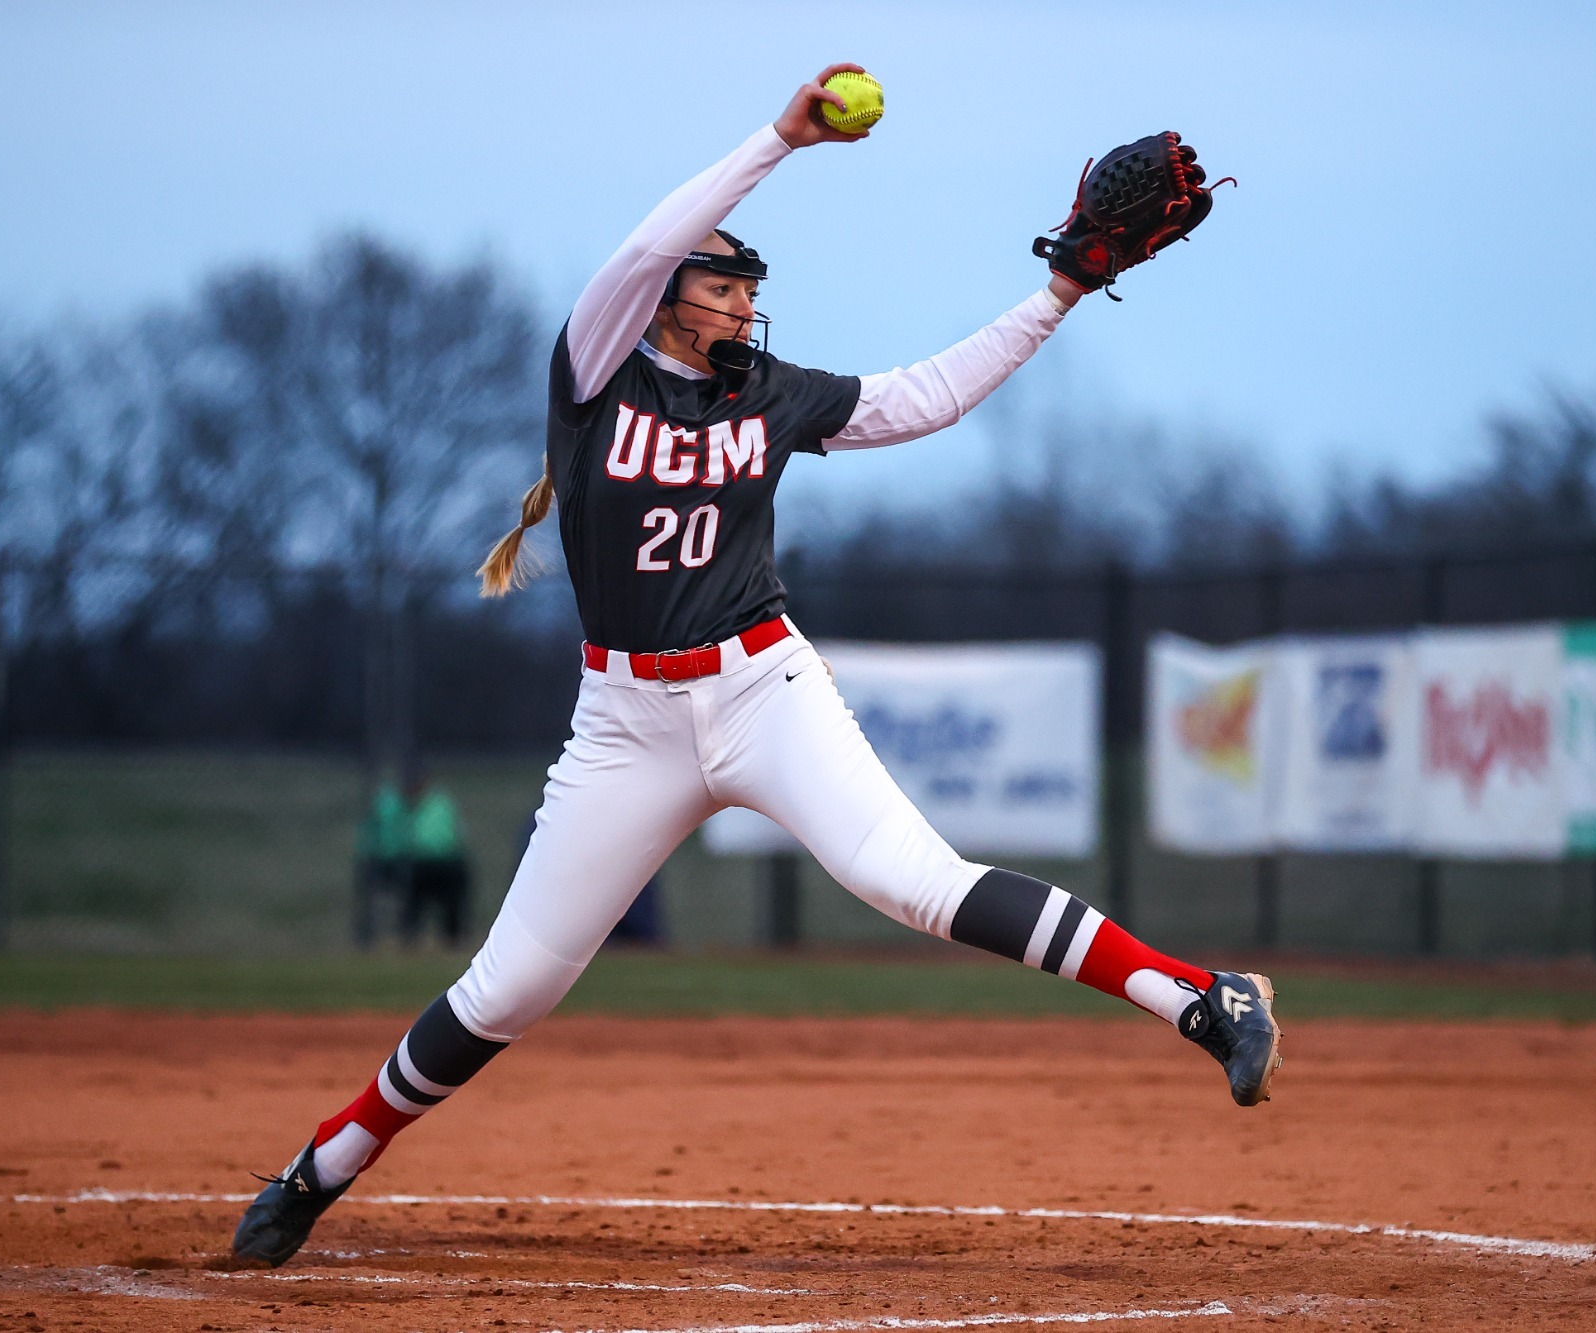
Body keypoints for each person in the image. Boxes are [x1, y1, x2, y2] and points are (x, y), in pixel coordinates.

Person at [231, 66, 1280, 1267]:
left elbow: (926, 397)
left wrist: (1061, 292)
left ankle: (1204, 999)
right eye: (720, 282)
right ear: (666, 296)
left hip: (760, 685)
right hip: (624, 722)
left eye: (745, 286)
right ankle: (318, 1170)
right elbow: (642, 245)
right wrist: (779, 138)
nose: (740, 303)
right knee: (509, 990)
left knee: (920, 884)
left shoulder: (771, 396)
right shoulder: (592, 372)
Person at [400, 769, 471, 948]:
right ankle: (411, 939)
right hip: (423, 861)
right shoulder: (412, 806)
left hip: (445, 859)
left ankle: (451, 939)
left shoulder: (437, 803)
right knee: (414, 903)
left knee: (451, 902)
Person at [350, 780, 408, 949]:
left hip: (395, 858)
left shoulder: (397, 804)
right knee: (370, 899)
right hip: (379, 859)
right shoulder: (384, 803)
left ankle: (403, 936)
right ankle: (369, 936)